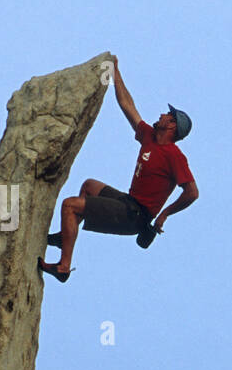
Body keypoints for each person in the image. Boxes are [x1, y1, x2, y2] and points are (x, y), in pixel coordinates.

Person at [39, 58, 199, 283]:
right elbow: (128, 106)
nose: (161, 115)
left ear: (171, 125)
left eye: (166, 115)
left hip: (135, 216)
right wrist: (115, 72)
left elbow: (192, 192)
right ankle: (65, 235)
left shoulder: (174, 155)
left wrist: (164, 214)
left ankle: (63, 266)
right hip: (128, 202)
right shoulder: (150, 138)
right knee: (89, 186)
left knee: (70, 205)